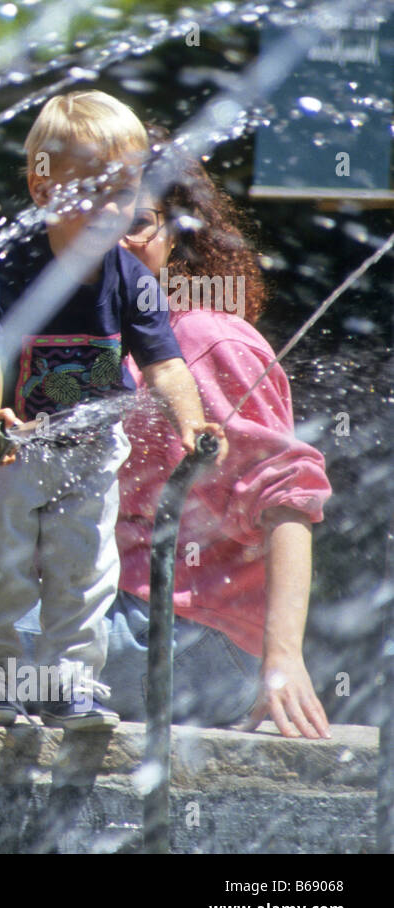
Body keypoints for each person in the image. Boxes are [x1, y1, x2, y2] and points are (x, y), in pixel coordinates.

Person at [0, 90, 223, 731]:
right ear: (42, 190)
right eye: (93, 189)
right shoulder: (11, 270)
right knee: (2, 571)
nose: (113, 206)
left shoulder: (130, 278)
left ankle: (68, 686)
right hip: (12, 454)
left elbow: (164, 363)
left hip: (93, 455)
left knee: (87, 574)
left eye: (126, 188)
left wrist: (192, 423)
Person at [94, 125, 333, 737]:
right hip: (128, 621)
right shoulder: (94, 342)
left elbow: (289, 497)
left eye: (135, 221)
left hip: (186, 640)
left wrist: (282, 661)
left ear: (179, 232)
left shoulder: (201, 338)